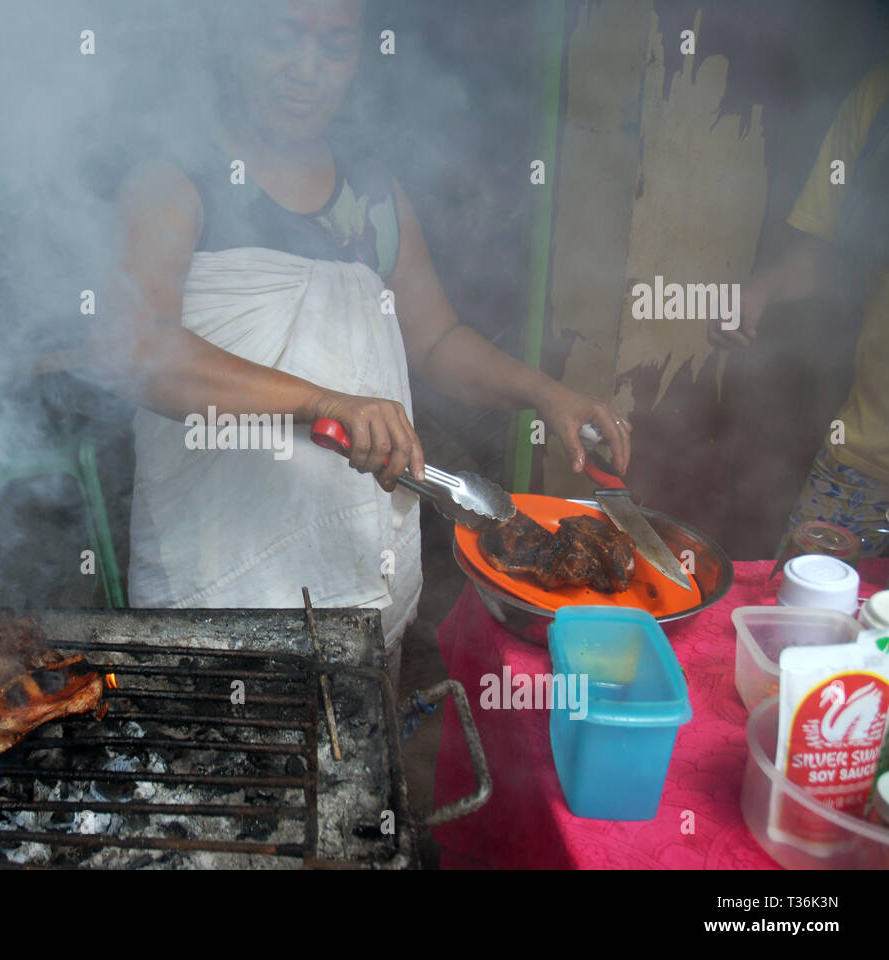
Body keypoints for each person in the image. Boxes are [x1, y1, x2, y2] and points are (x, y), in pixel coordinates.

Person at [109, 0, 631, 684]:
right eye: (281, 38)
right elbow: (135, 351)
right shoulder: (173, 181)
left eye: (335, 48)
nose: (307, 71)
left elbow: (437, 338)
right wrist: (325, 401)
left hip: (355, 581)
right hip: (220, 586)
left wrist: (545, 392)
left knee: (351, 766)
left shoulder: (375, 197)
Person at [713, 62, 889, 558]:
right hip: (861, 459)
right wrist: (762, 290)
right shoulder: (876, 98)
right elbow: (840, 258)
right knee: (799, 609)